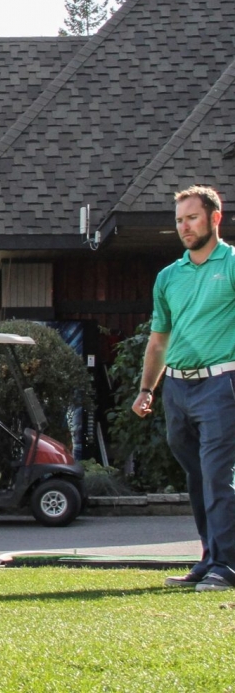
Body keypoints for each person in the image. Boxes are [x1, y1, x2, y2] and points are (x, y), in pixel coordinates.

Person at [132, 184, 235, 592]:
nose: (184, 226)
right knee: (197, 477)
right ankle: (210, 557)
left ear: (214, 218)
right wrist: (146, 390)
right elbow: (159, 340)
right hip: (176, 389)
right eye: (178, 220)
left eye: (192, 217)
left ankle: (227, 566)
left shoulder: (231, 266)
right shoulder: (168, 277)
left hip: (222, 385)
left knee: (217, 475)